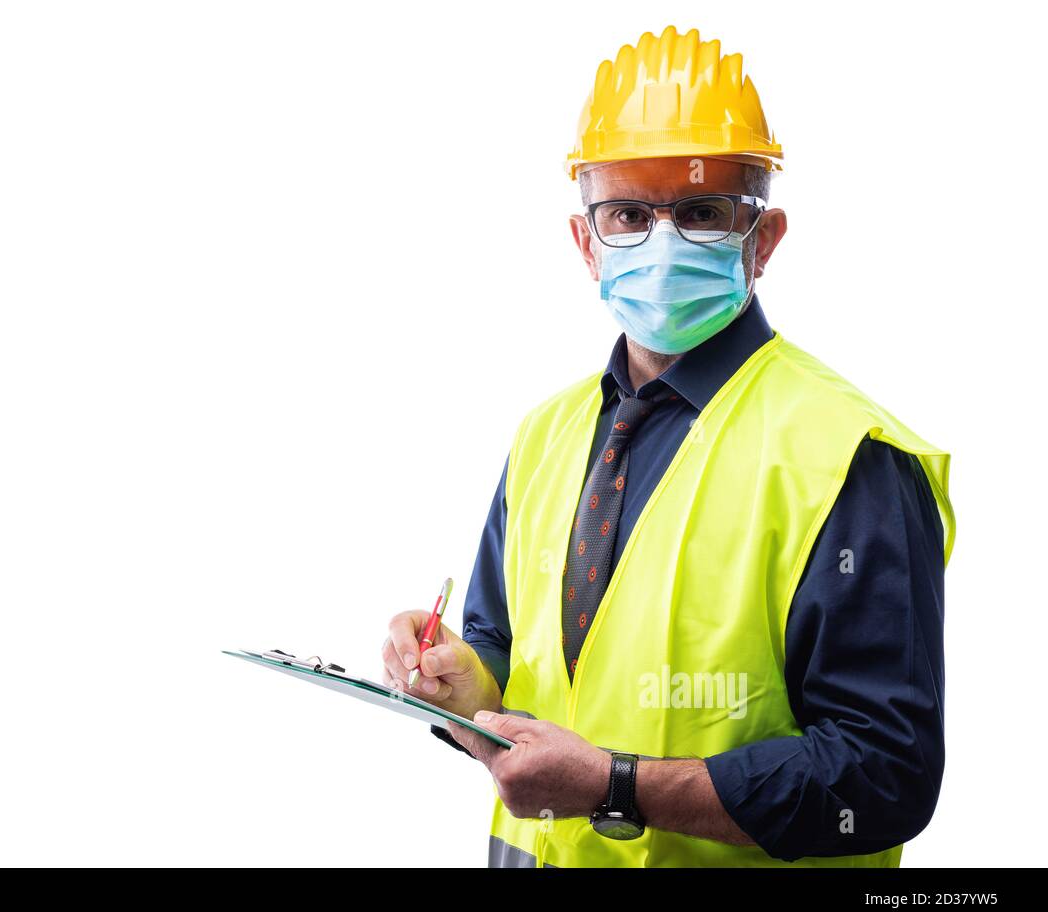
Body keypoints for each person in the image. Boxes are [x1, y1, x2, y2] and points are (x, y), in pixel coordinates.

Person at [380, 25, 954, 867]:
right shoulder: (547, 433)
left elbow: (883, 777)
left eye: (700, 211)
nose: (662, 239)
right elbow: (505, 657)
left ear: (764, 238)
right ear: (586, 241)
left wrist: (616, 784)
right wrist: (462, 687)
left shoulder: (846, 458)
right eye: (628, 212)